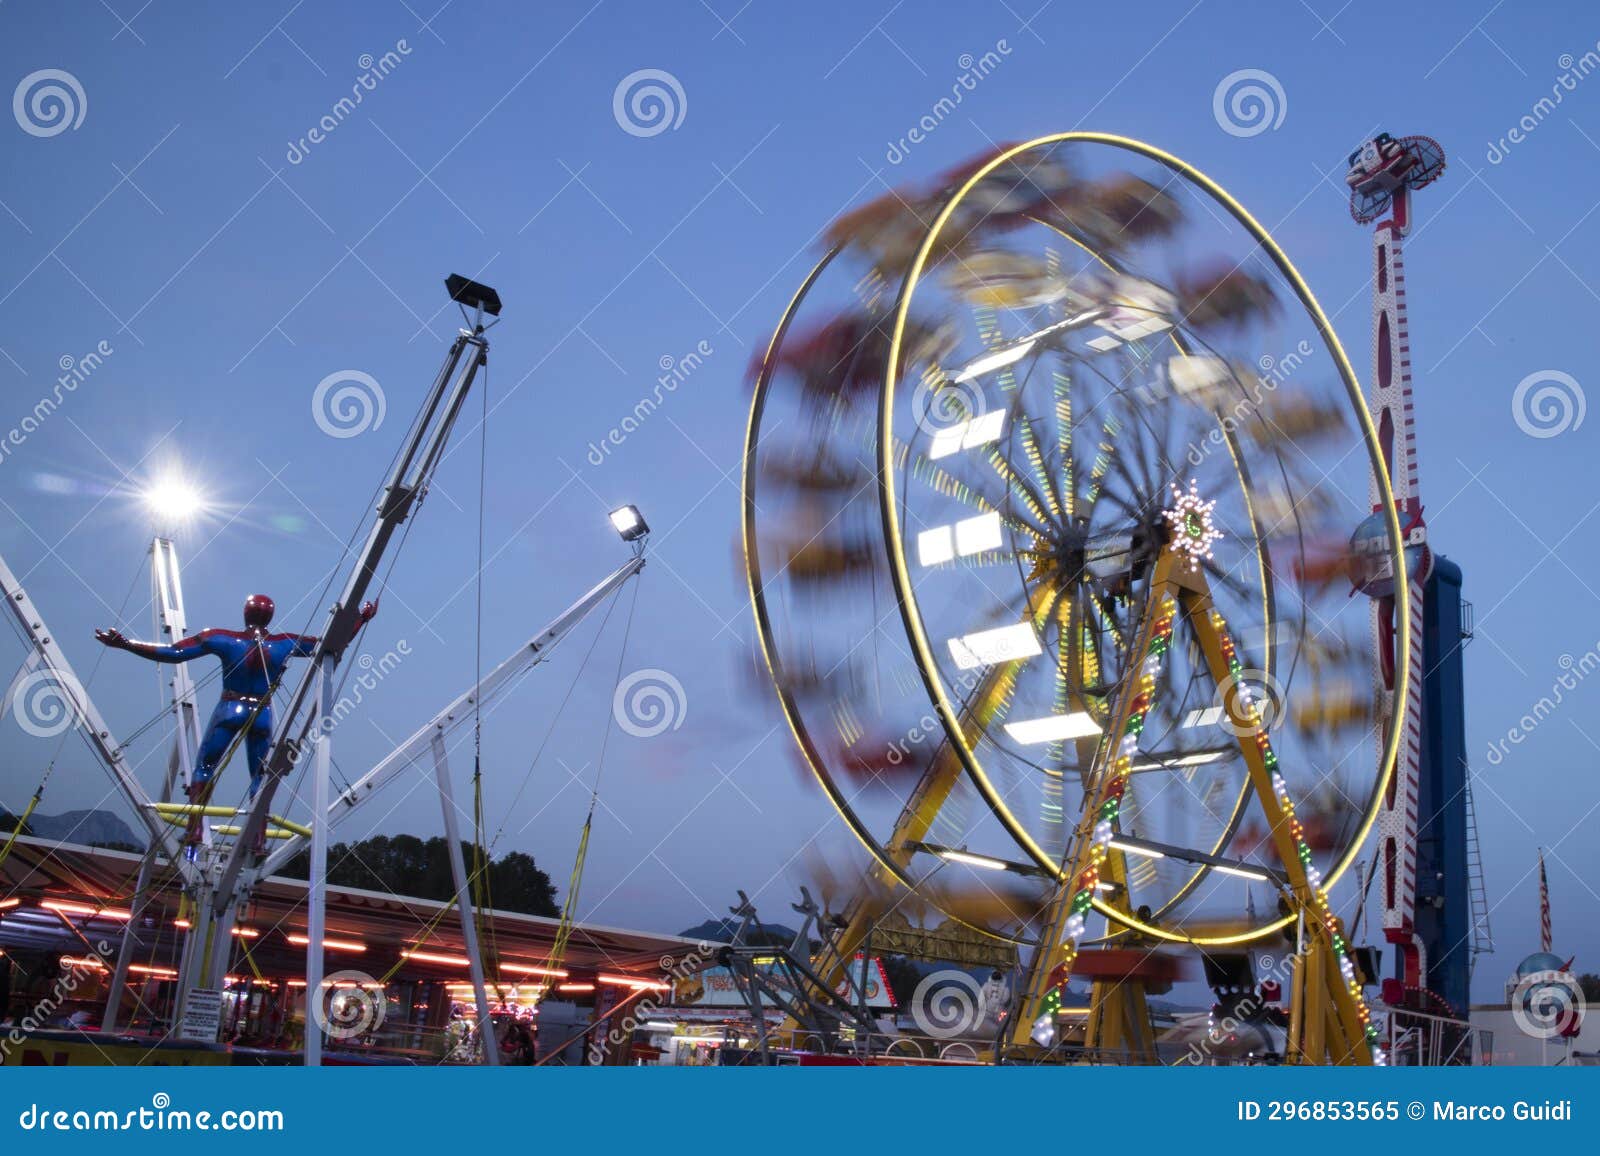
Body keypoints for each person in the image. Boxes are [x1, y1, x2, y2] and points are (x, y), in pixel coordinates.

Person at [95, 593, 375, 852]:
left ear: (245, 614)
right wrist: (361, 619)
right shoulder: (283, 643)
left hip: (230, 706)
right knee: (260, 775)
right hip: (262, 712)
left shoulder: (223, 639)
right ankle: (257, 837)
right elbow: (333, 643)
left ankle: (194, 830)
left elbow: (174, 652)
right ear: (270, 617)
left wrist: (126, 644)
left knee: (205, 766)